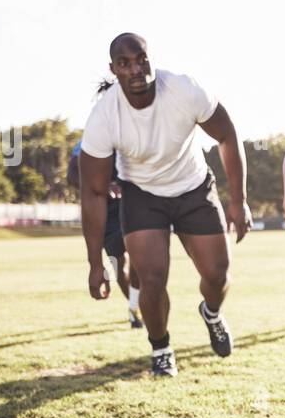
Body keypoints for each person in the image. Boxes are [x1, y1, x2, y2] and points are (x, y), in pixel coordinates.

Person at [79, 32, 252, 376]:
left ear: (150, 58)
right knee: (152, 278)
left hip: (193, 187)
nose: (136, 69)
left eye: (141, 59)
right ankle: (161, 349)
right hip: (142, 194)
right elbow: (93, 193)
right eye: (125, 64)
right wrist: (94, 262)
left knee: (217, 275)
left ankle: (212, 313)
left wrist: (239, 200)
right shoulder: (104, 116)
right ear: (113, 69)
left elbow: (226, 134)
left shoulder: (184, 89)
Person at [69, 140, 142, 328]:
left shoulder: (132, 130)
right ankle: (133, 307)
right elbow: (72, 175)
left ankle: (136, 306)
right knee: (118, 261)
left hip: (134, 202)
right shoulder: (89, 139)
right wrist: (103, 187)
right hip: (106, 210)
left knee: (139, 257)